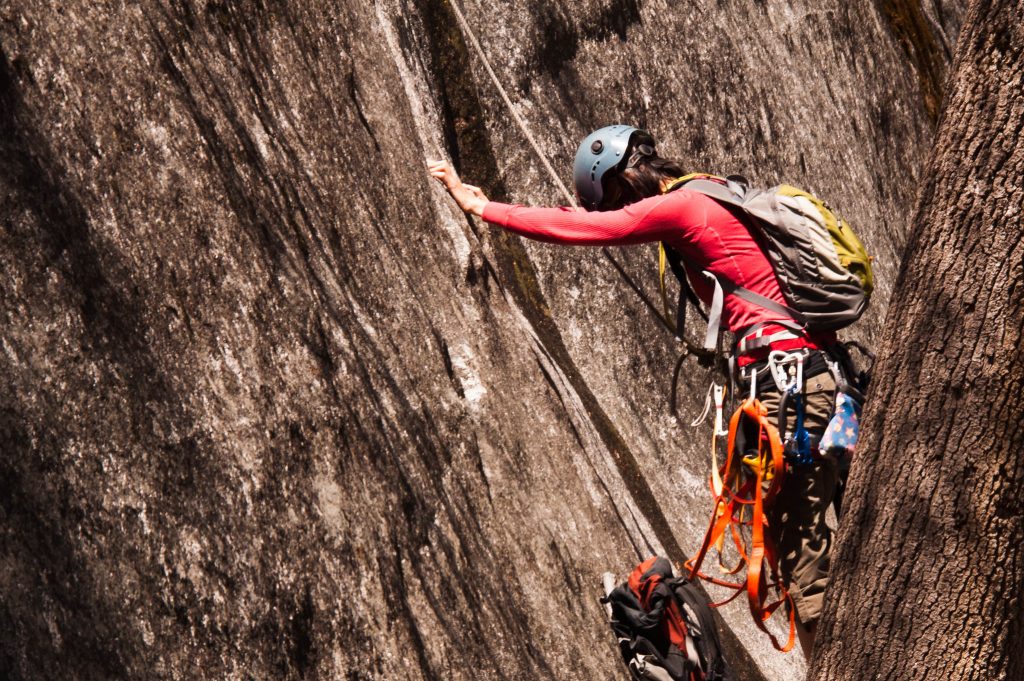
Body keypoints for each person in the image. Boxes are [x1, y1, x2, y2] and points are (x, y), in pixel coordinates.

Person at [429, 125, 849, 659]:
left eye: (615, 199)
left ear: (623, 182)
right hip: (817, 380)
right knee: (815, 542)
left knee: (800, 559)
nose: (618, 209)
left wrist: (482, 207)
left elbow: (585, 229)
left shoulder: (681, 208)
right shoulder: (715, 191)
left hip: (787, 390)